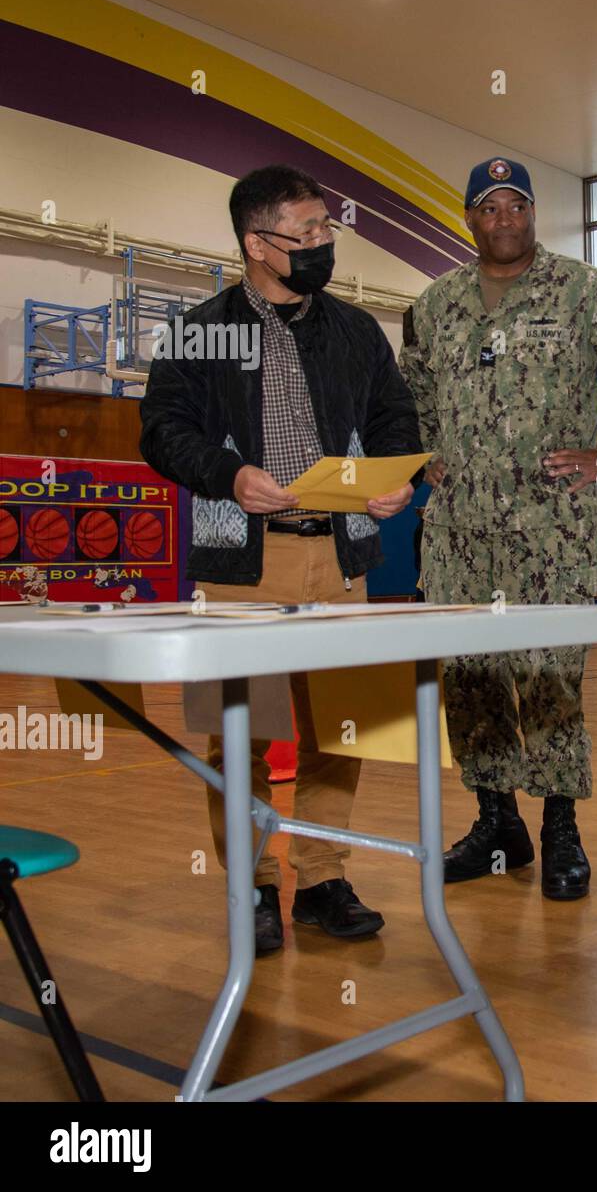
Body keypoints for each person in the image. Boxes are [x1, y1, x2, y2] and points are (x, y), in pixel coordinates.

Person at [140, 164, 421, 955]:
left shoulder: (358, 330)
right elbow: (161, 430)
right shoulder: (200, 331)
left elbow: (395, 417)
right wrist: (228, 475)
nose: (324, 243)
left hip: (341, 559)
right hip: (242, 565)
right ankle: (255, 885)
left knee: (344, 727)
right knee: (244, 736)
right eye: (307, 234)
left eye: (326, 229)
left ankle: (323, 877)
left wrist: (393, 478)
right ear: (256, 244)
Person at [399, 158, 597, 900]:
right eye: (490, 207)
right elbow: (409, 389)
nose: (505, 218)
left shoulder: (580, 291)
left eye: (518, 205)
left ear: (533, 214)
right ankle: (496, 821)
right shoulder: (437, 303)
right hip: (458, 531)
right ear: (470, 219)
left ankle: (558, 827)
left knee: (548, 676)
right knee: (471, 676)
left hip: (550, 526)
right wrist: (427, 460)